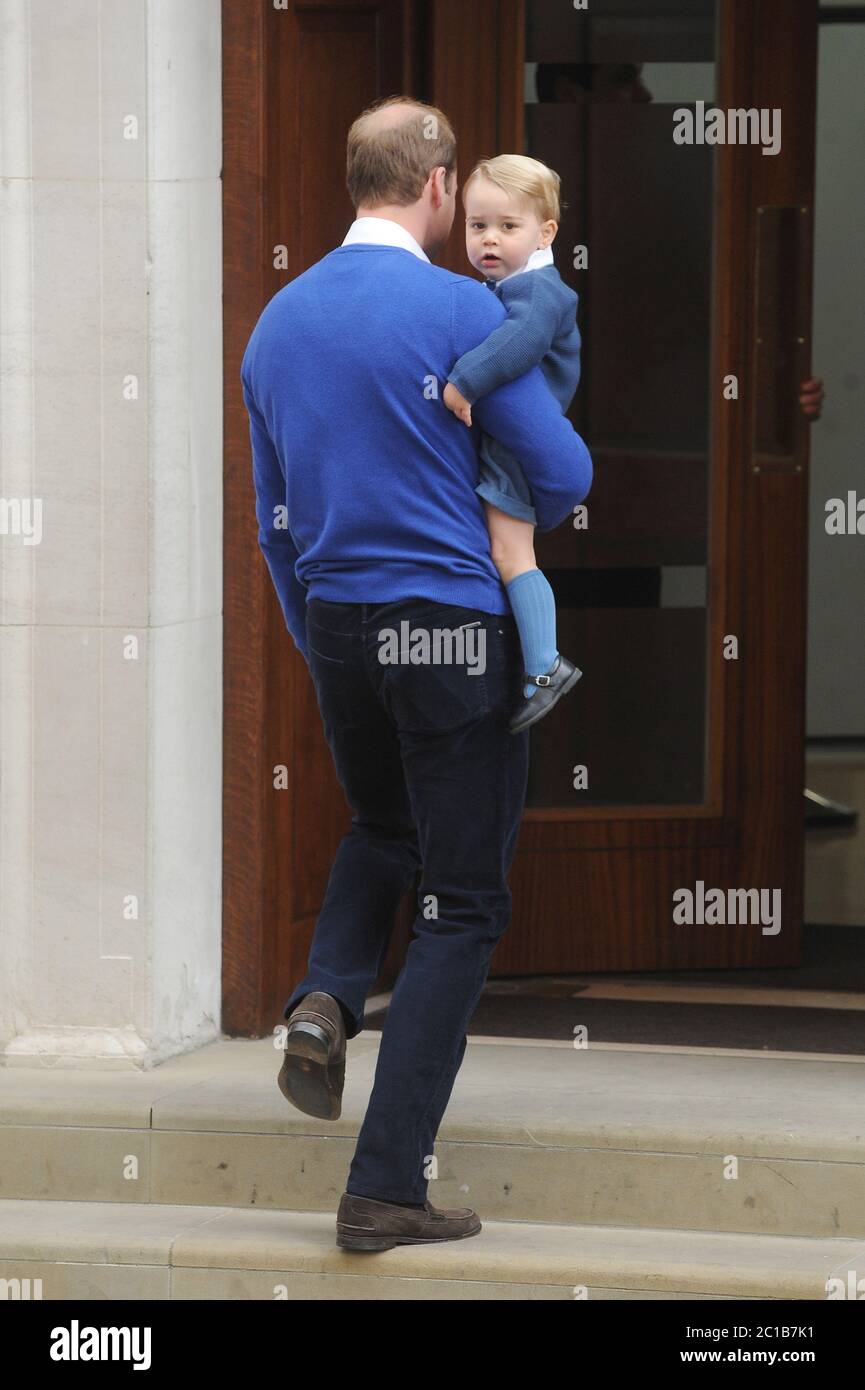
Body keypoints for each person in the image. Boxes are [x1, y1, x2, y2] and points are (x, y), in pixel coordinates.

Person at [240, 96, 592, 1252]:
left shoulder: (275, 324)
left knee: (381, 823)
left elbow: (272, 526)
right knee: (463, 901)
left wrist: (319, 640)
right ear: (438, 187)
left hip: (339, 622)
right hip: (446, 625)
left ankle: (326, 996)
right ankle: (386, 1181)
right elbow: (561, 461)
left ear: (358, 180)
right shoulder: (463, 308)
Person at [444, 153, 583, 733]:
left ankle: (546, 666)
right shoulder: (509, 285)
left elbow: (519, 345)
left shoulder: (539, 293)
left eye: (508, 227)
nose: (489, 240)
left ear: (546, 232)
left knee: (511, 553)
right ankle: (539, 662)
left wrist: (462, 382)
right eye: (478, 226)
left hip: (515, 454)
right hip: (509, 446)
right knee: (504, 551)